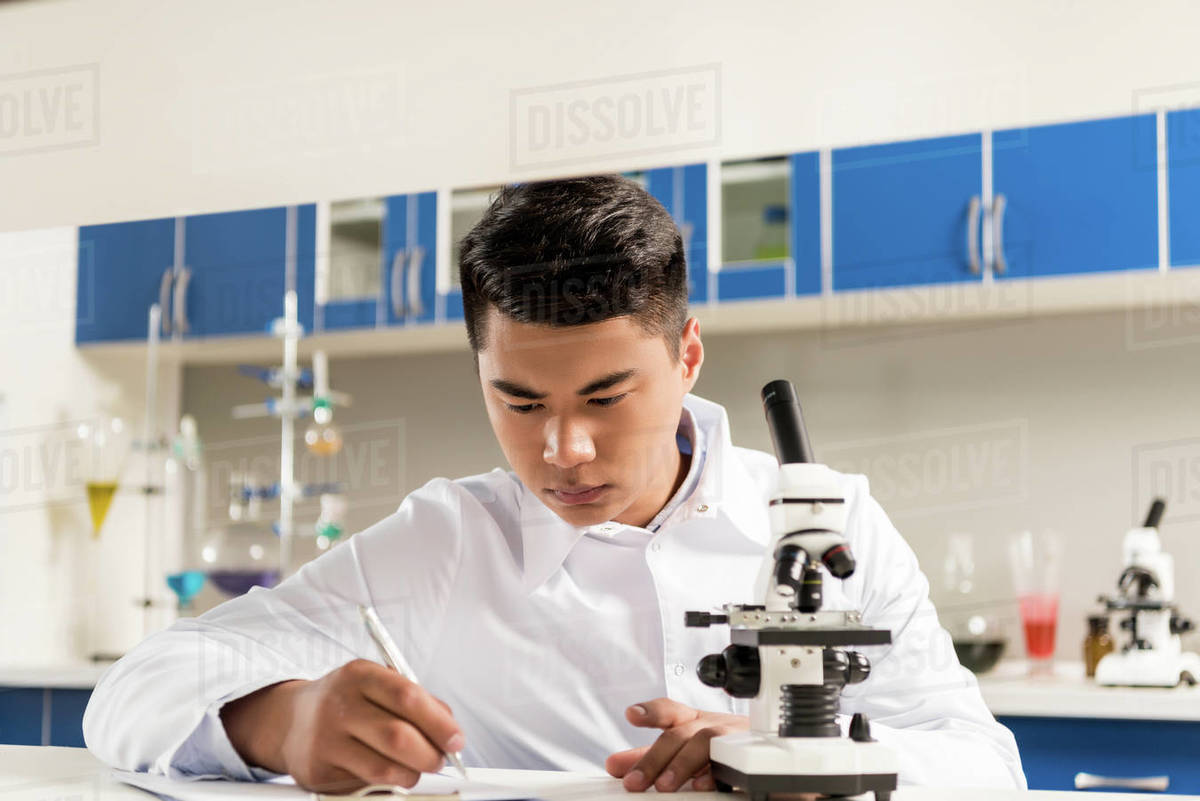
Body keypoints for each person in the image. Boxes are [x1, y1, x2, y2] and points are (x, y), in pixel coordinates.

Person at [83, 175, 1026, 793]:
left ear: (687, 354)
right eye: (519, 401)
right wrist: (278, 721)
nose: (564, 449)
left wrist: (800, 764)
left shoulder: (828, 520)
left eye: (606, 396)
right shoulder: (446, 543)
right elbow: (137, 688)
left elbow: (984, 765)